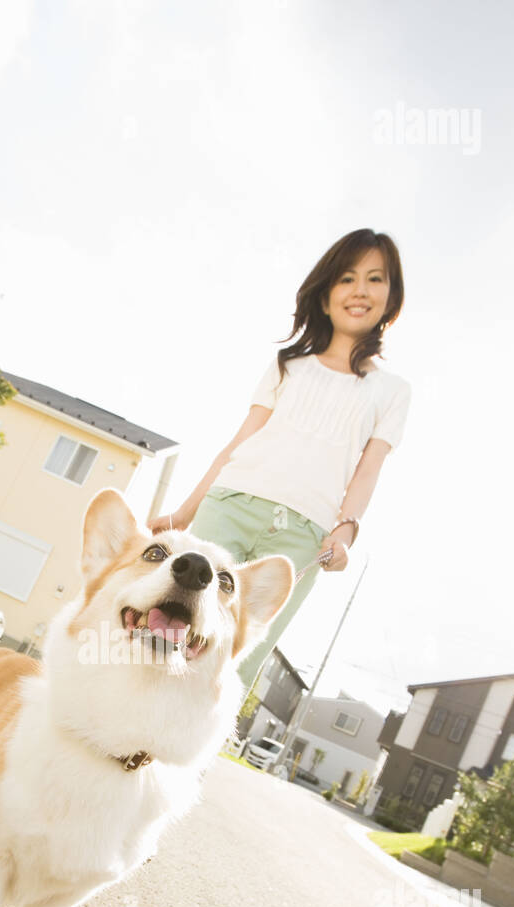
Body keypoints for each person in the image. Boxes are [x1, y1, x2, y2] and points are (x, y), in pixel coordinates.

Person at [150, 227, 412, 696]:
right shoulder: (286, 363)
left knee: (234, 657)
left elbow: (367, 470)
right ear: (327, 293)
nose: (359, 290)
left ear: (390, 298)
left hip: (302, 537)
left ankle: (188, 762)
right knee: (172, 625)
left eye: (375, 279)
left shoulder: (393, 391)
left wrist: (345, 531)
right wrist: (182, 514)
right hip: (229, 503)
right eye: (347, 278)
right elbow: (238, 444)